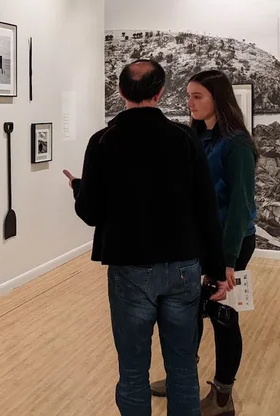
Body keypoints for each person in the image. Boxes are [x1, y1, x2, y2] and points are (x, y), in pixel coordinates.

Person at [63, 59, 229, 416]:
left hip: (130, 268)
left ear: (121, 92)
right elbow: (206, 208)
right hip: (184, 266)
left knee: (133, 371)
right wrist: (216, 267)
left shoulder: (103, 141)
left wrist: (79, 187)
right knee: (183, 370)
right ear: (160, 92)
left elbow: (91, 212)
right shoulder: (185, 138)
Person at [151, 70, 259, 415]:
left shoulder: (236, 144)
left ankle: (223, 396)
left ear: (218, 99)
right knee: (188, 312)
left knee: (224, 315)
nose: (190, 103)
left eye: (198, 96)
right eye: (188, 96)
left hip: (230, 244)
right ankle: (182, 377)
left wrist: (226, 261)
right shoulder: (196, 137)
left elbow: (241, 206)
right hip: (197, 241)